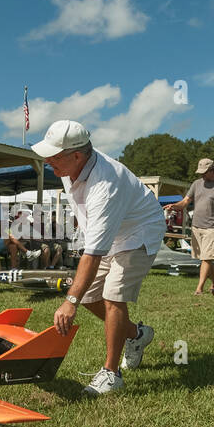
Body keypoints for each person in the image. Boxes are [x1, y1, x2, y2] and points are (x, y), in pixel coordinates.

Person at [35, 120, 164, 398]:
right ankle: (137, 335)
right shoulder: (67, 169)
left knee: (113, 296)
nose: (48, 161)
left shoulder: (105, 185)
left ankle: (111, 374)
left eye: (53, 156)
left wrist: (69, 302)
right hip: (114, 230)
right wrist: (77, 298)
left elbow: (93, 253)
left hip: (140, 231)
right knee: (90, 296)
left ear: (76, 155)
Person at [164, 157, 214, 296]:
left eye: (204, 172)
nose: (202, 175)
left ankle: (199, 288)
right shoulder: (196, 184)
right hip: (196, 226)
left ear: (212, 170)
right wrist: (174, 206)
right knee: (204, 258)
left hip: (213, 226)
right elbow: (185, 202)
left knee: (207, 258)